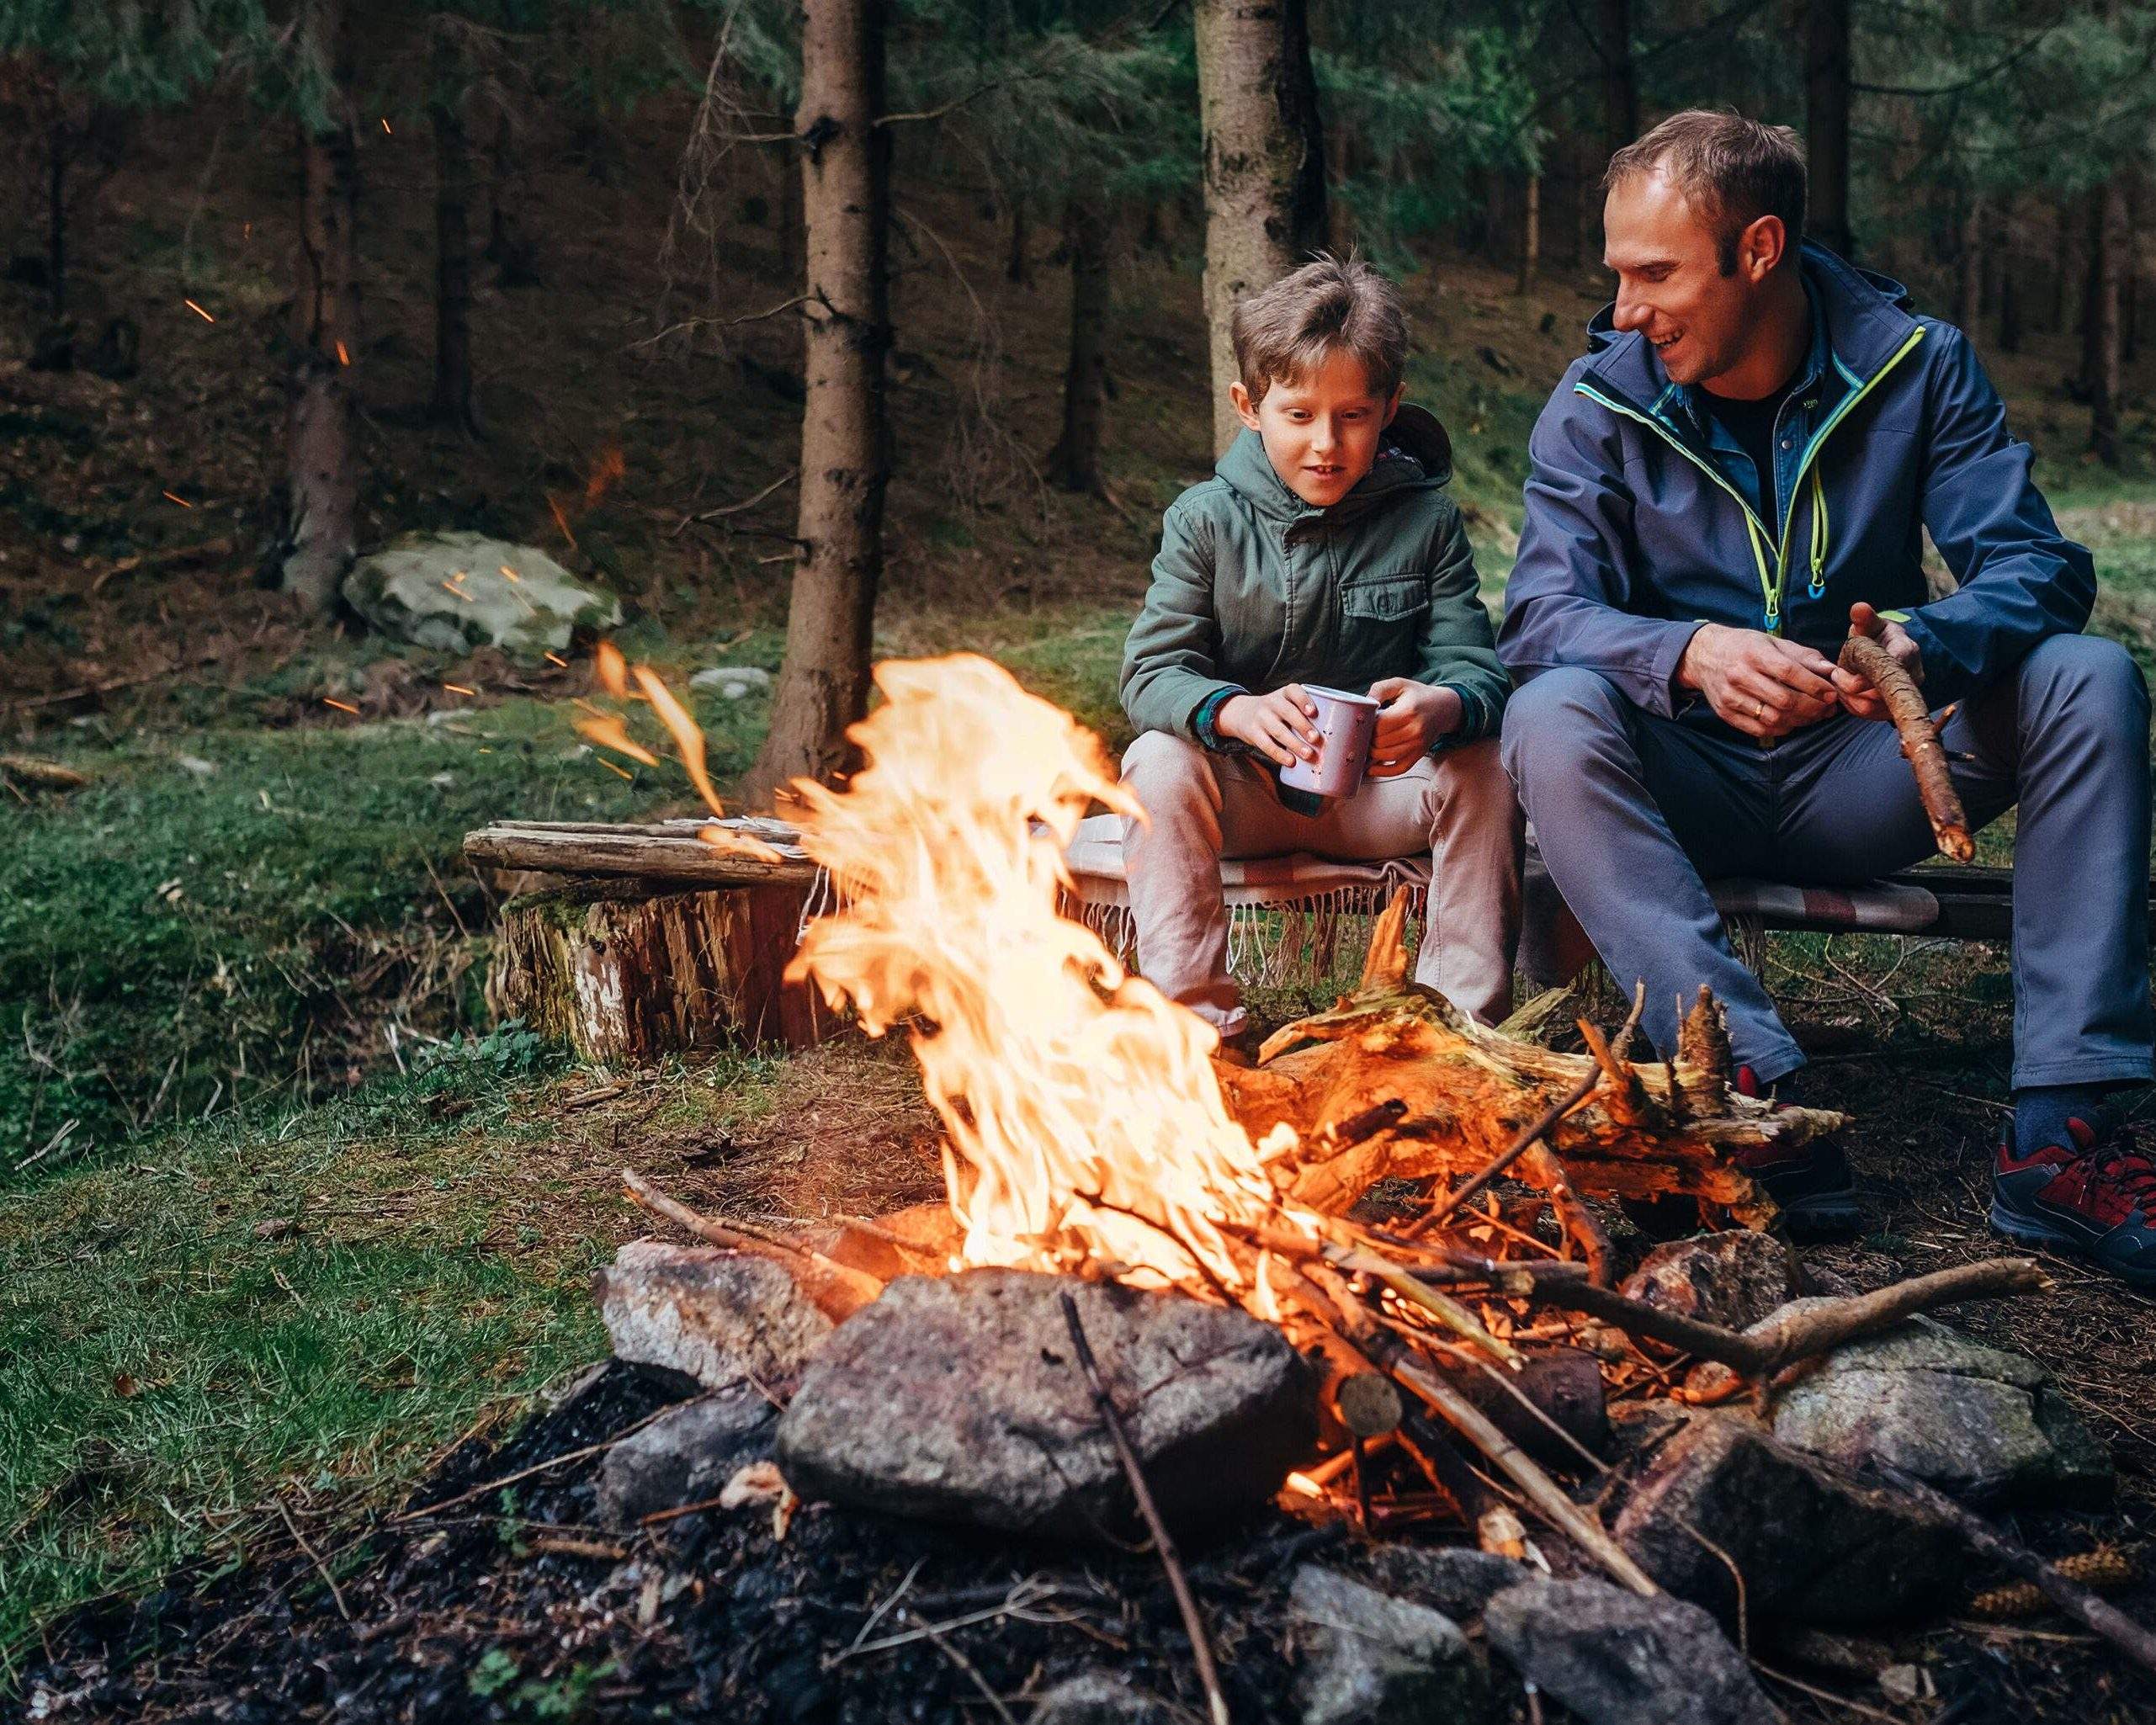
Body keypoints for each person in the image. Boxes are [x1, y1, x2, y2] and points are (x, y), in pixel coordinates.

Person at [1500, 109, 2154, 1274]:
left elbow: (2040, 569)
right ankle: (1748, 1086)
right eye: (1616, 273)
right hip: (1678, 778)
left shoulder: (1916, 364)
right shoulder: (1597, 402)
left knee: (2087, 678)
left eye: (1655, 274)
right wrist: (1687, 651)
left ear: (1757, 251)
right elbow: (1539, 618)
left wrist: (1921, 642)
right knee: (1548, 709)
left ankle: (2064, 1135)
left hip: (1873, 774)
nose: (1626, 308)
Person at [1118, 256, 1521, 1048]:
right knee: (1156, 761)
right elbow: (1149, 673)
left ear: (1391, 408)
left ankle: (1458, 1032)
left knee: (1486, 763)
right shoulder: (1204, 522)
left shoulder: (1426, 522)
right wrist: (1233, 712)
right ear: (1249, 406)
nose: (1327, 445)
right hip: (1247, 798)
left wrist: (1442, 706)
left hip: (1381, 796)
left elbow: (1477, 671)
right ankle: (1198, 1032)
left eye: (1354, 416)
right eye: (1299, 415)